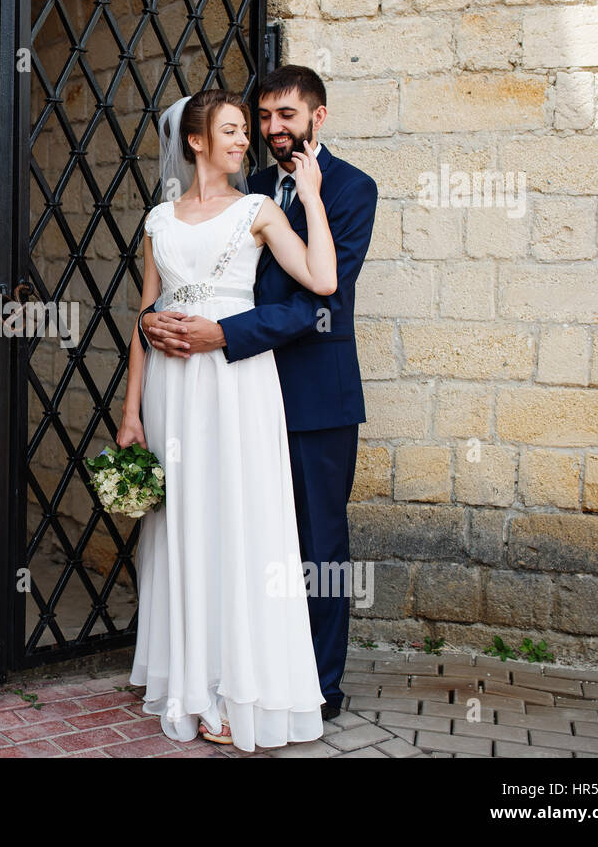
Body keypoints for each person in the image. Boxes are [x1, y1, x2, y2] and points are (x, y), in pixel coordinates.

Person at [137, 65, 378, 723]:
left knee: (317, 548)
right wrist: (162, 321)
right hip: (238, 391)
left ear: (317, 118)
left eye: (285, 117)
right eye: (262, 117)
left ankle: (319, 688)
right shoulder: (252, 188)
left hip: (314, 395)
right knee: (248, 539)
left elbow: (319, 301)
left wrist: (224, 333)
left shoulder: (353, 189)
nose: (271, 129)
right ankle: (245, 671)